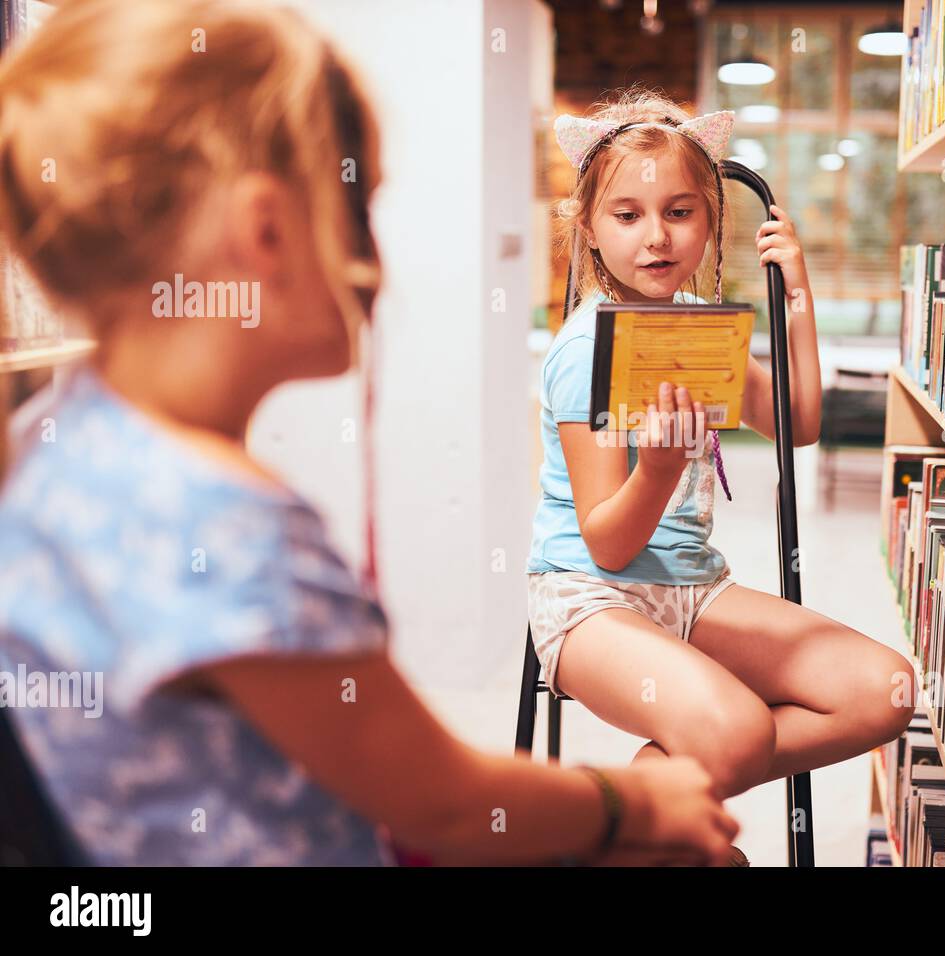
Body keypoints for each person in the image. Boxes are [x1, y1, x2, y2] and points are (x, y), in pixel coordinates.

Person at [0, 0, 737, 867]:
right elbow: (450, 808)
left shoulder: (54, 439)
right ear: (269, 229)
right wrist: (632, 799)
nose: (374, 253)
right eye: (361, 206)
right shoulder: (228, 530)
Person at [526, 90, 918, 847]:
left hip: (696, 589)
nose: (656, 238)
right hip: (591, 598)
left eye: (680, 212)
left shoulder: (699, 327)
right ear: (590, 227)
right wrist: (660, 469)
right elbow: (607, 544)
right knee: (736, 733)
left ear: (711, 221)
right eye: (627, 215)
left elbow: (798, 422)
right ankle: (647, 815)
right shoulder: (587, 348)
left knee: (886, 691)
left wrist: (796, 292)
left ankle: (643, 806)